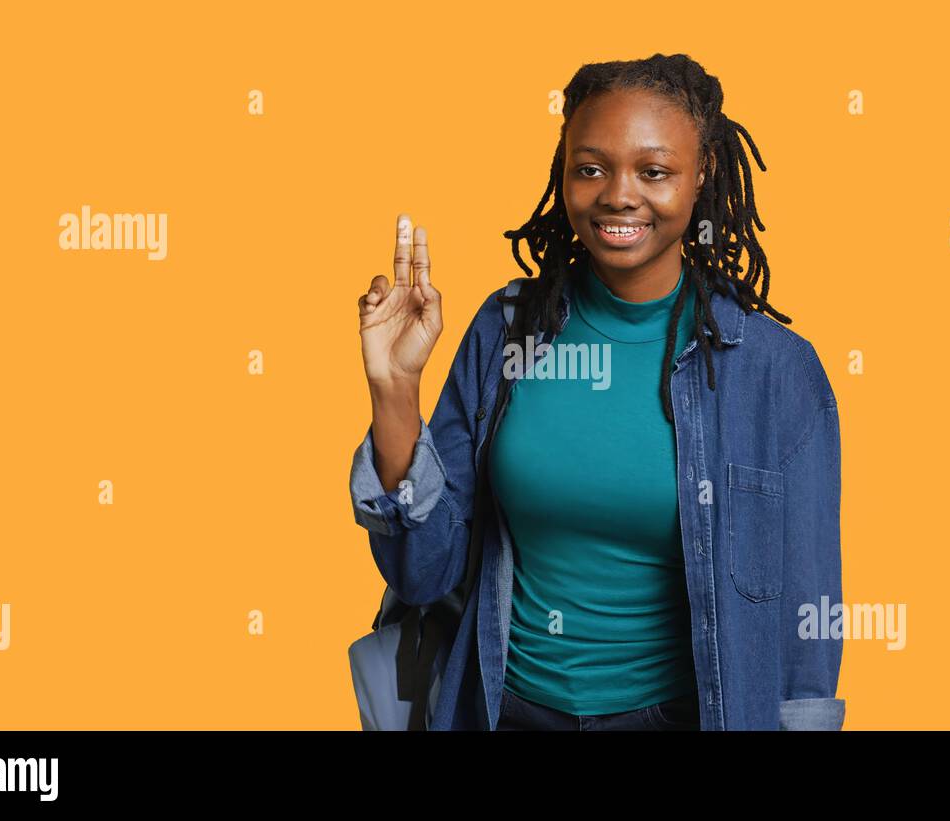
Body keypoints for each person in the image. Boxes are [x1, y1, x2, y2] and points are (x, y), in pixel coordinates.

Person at [352, 53, 844, 731]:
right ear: (563, 172)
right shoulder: (506, 333)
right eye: (591, 167)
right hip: (504, 711)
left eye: (654, 170)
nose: (618, 194)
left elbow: (806, 625)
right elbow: (423, 573)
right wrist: (395, 390)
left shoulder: (775, 373)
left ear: (699, 175)